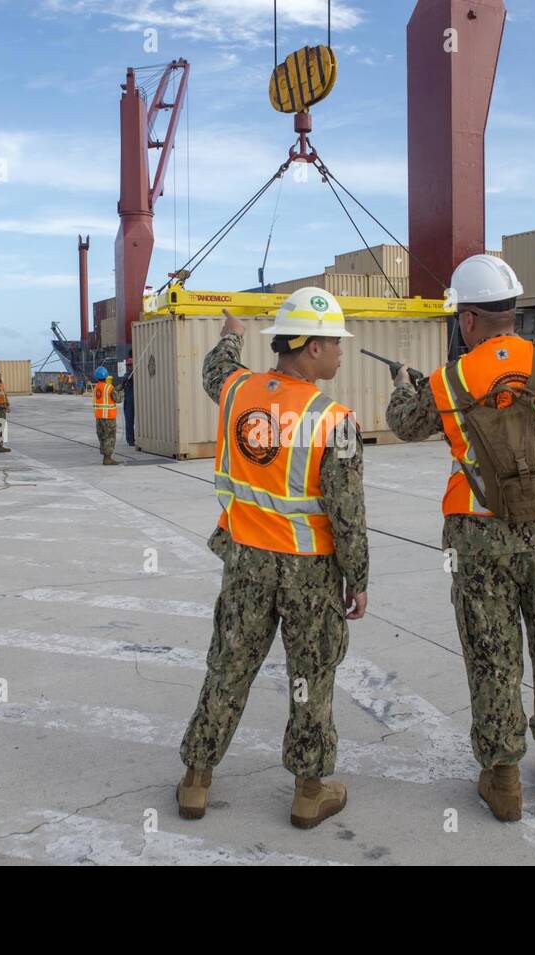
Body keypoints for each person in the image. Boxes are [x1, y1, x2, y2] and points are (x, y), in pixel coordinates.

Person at [386, 254, 535, 822]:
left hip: (481, 542)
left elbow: (403, 423)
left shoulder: (449, 380)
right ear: (513, 309)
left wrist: (403, 386)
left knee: (491, 658)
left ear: (467, 320)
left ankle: (504, 780)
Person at [177, 291, 369, 830]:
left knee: (228, 666)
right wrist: (359, 580)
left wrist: (232, 329)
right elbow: (348, 515)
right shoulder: (334, 420)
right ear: (310, 348)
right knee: (312, 675)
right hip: (310, 569)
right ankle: (310, 792)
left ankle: (196, 779)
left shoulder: (238, 391)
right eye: (334, 343)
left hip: (245, 561)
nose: (340, 353)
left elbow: (218, 367)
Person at [122, 357, 136, 447]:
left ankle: (133, 438)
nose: (129, 367)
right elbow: (123, 385)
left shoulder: (134, 375)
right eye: (128, 365)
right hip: (129, 400)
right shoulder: (127, 376)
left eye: (130, 365)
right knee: (129, 421)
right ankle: (130, 439)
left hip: (134, 399)